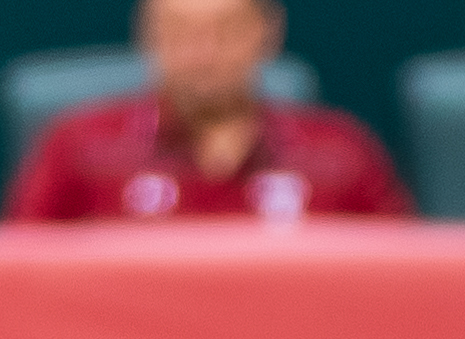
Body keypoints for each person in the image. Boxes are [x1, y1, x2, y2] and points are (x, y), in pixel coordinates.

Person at [6, 0, 411, 223]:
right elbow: (23, 280)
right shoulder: (80, 147)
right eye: (181, 33)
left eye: (226, 32)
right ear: (147, 35)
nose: (203, 54)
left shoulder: (341, 153)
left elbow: (400, 284)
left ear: (268, 33)